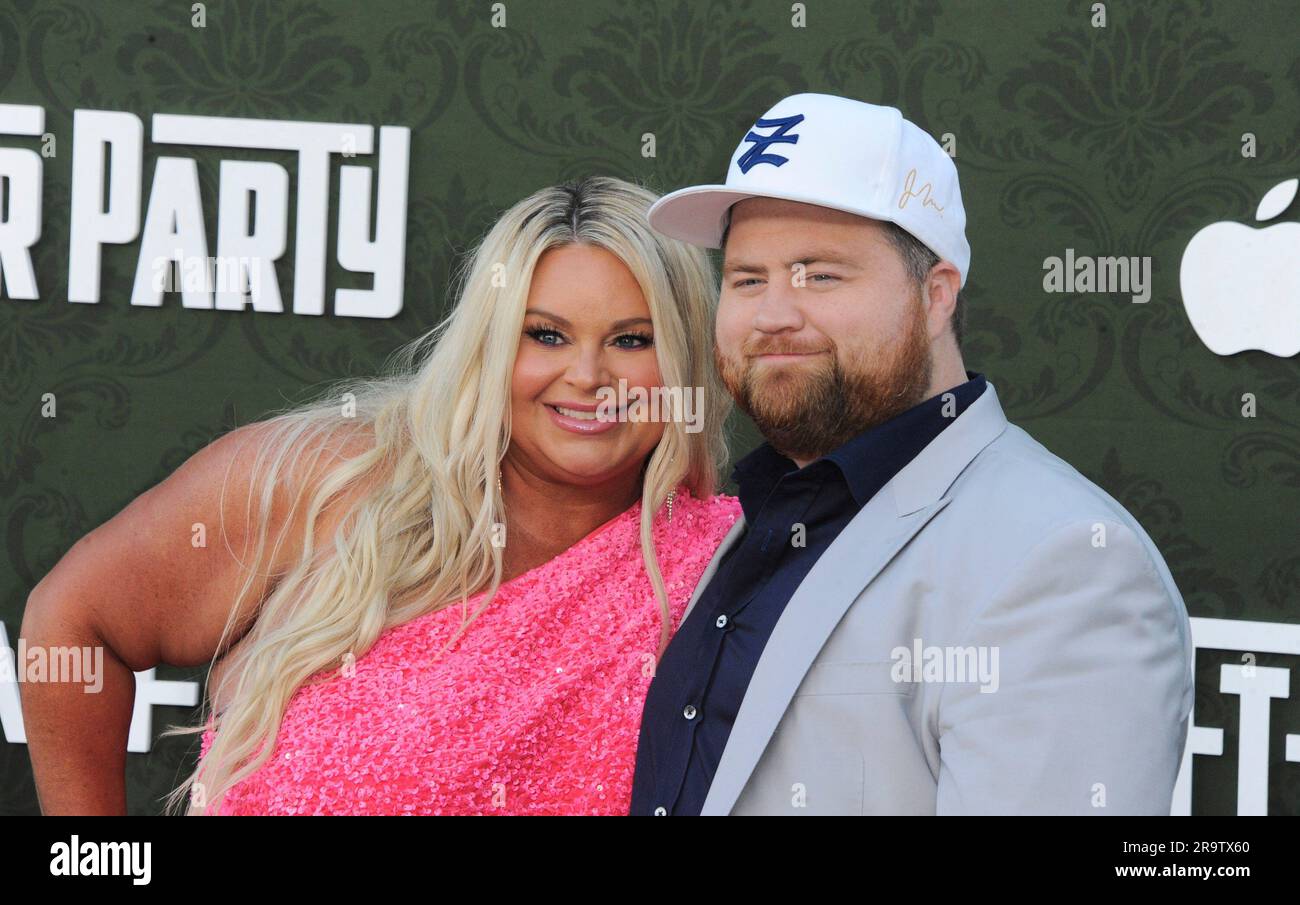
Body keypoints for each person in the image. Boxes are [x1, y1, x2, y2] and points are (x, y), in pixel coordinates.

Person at [20, 176, 741, 815]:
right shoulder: (330, 480)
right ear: (488, 345)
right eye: (546, 335)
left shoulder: (729, 566)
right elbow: (74, 620)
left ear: (684, 357)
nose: (587, 374)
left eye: (631, 340)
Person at [630, 93, 1195, 816]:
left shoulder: (1068, 562)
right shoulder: (737, 515)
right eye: (747, 279)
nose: (772, 315)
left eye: (818, 274)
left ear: (936, 296)